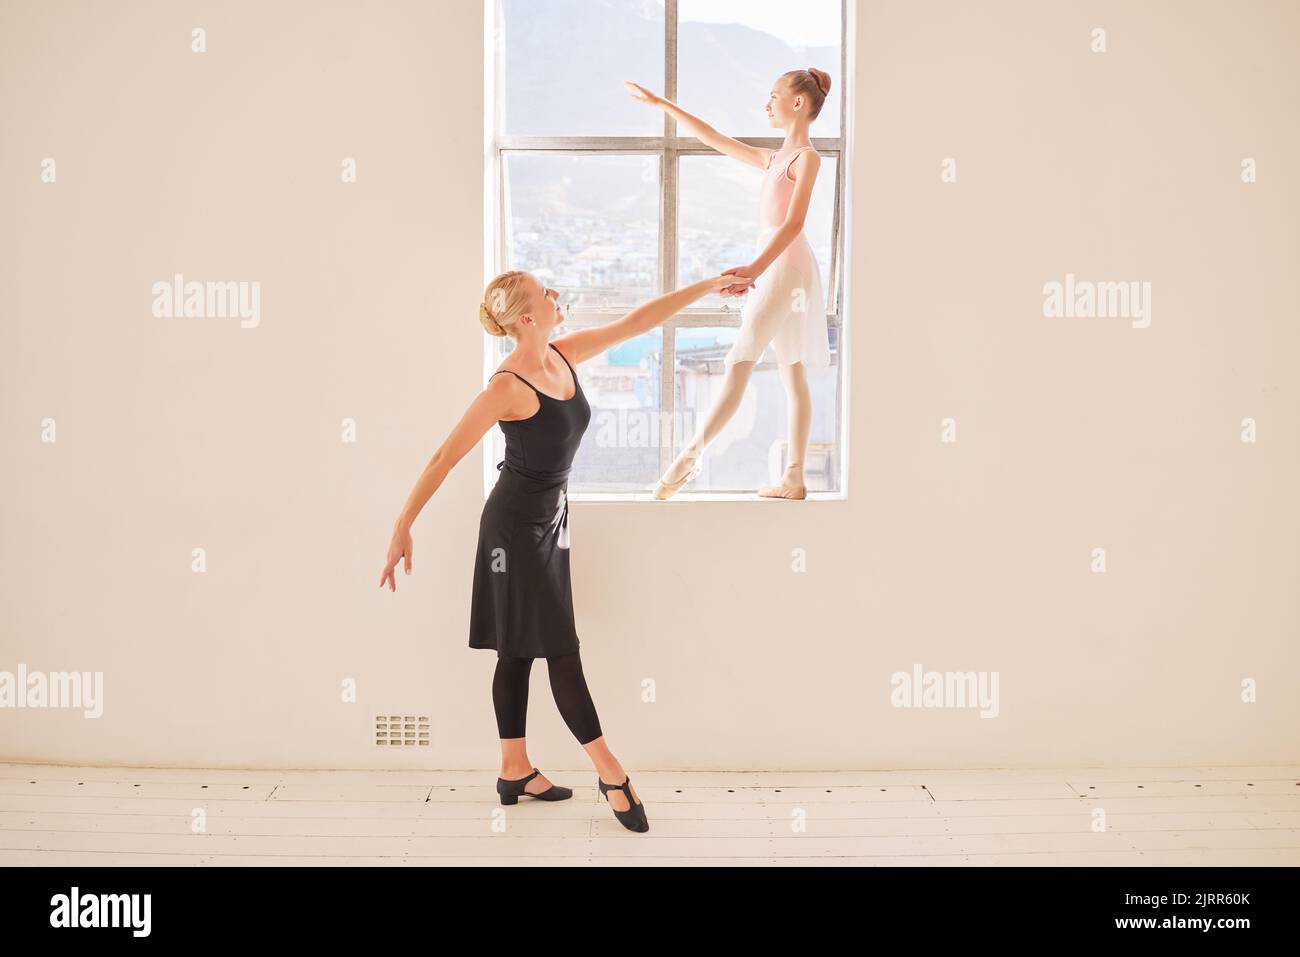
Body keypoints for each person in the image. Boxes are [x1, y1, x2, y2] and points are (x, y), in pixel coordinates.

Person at [380, 269, 735, 832]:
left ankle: (513, 768)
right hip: (514, 530)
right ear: (526, 318)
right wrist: (403, 525)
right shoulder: (506, 386)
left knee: (518, 650)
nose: (556, 296)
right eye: (546, 293)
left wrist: (709, 286)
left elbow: (637, 320)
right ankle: (612, 773)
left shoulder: (562, 356)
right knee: (561, 652)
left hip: (551, 522)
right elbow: (444, 456)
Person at [625, 68, 834, 500]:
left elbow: (794, 223)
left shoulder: (806, 158)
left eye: (773, 95)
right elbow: (713, 137)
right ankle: (793, 478)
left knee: (744, 360)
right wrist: (662, 104)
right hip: (779, 265)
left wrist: (754, 270)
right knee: (787, 371)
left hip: (786, 266)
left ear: (797, 104)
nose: (767, 103)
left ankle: (687, 460)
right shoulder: (775, 158)